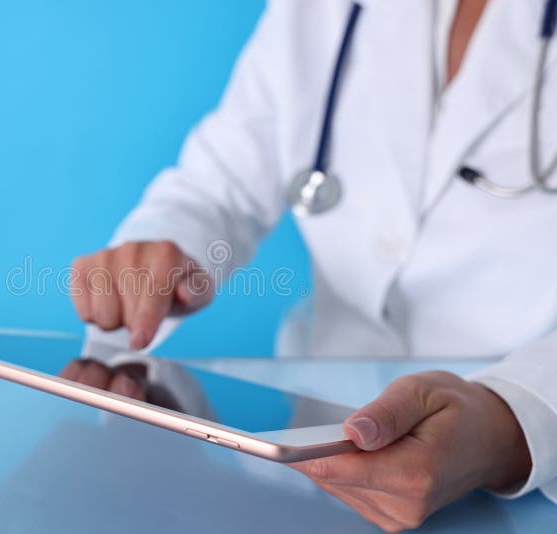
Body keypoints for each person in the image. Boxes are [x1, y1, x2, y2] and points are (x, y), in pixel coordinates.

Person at [66, 1, 557, 530]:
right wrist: (168, 247)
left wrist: (513, 418)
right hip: (314, 457)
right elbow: (219, 183)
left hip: (525, 482)